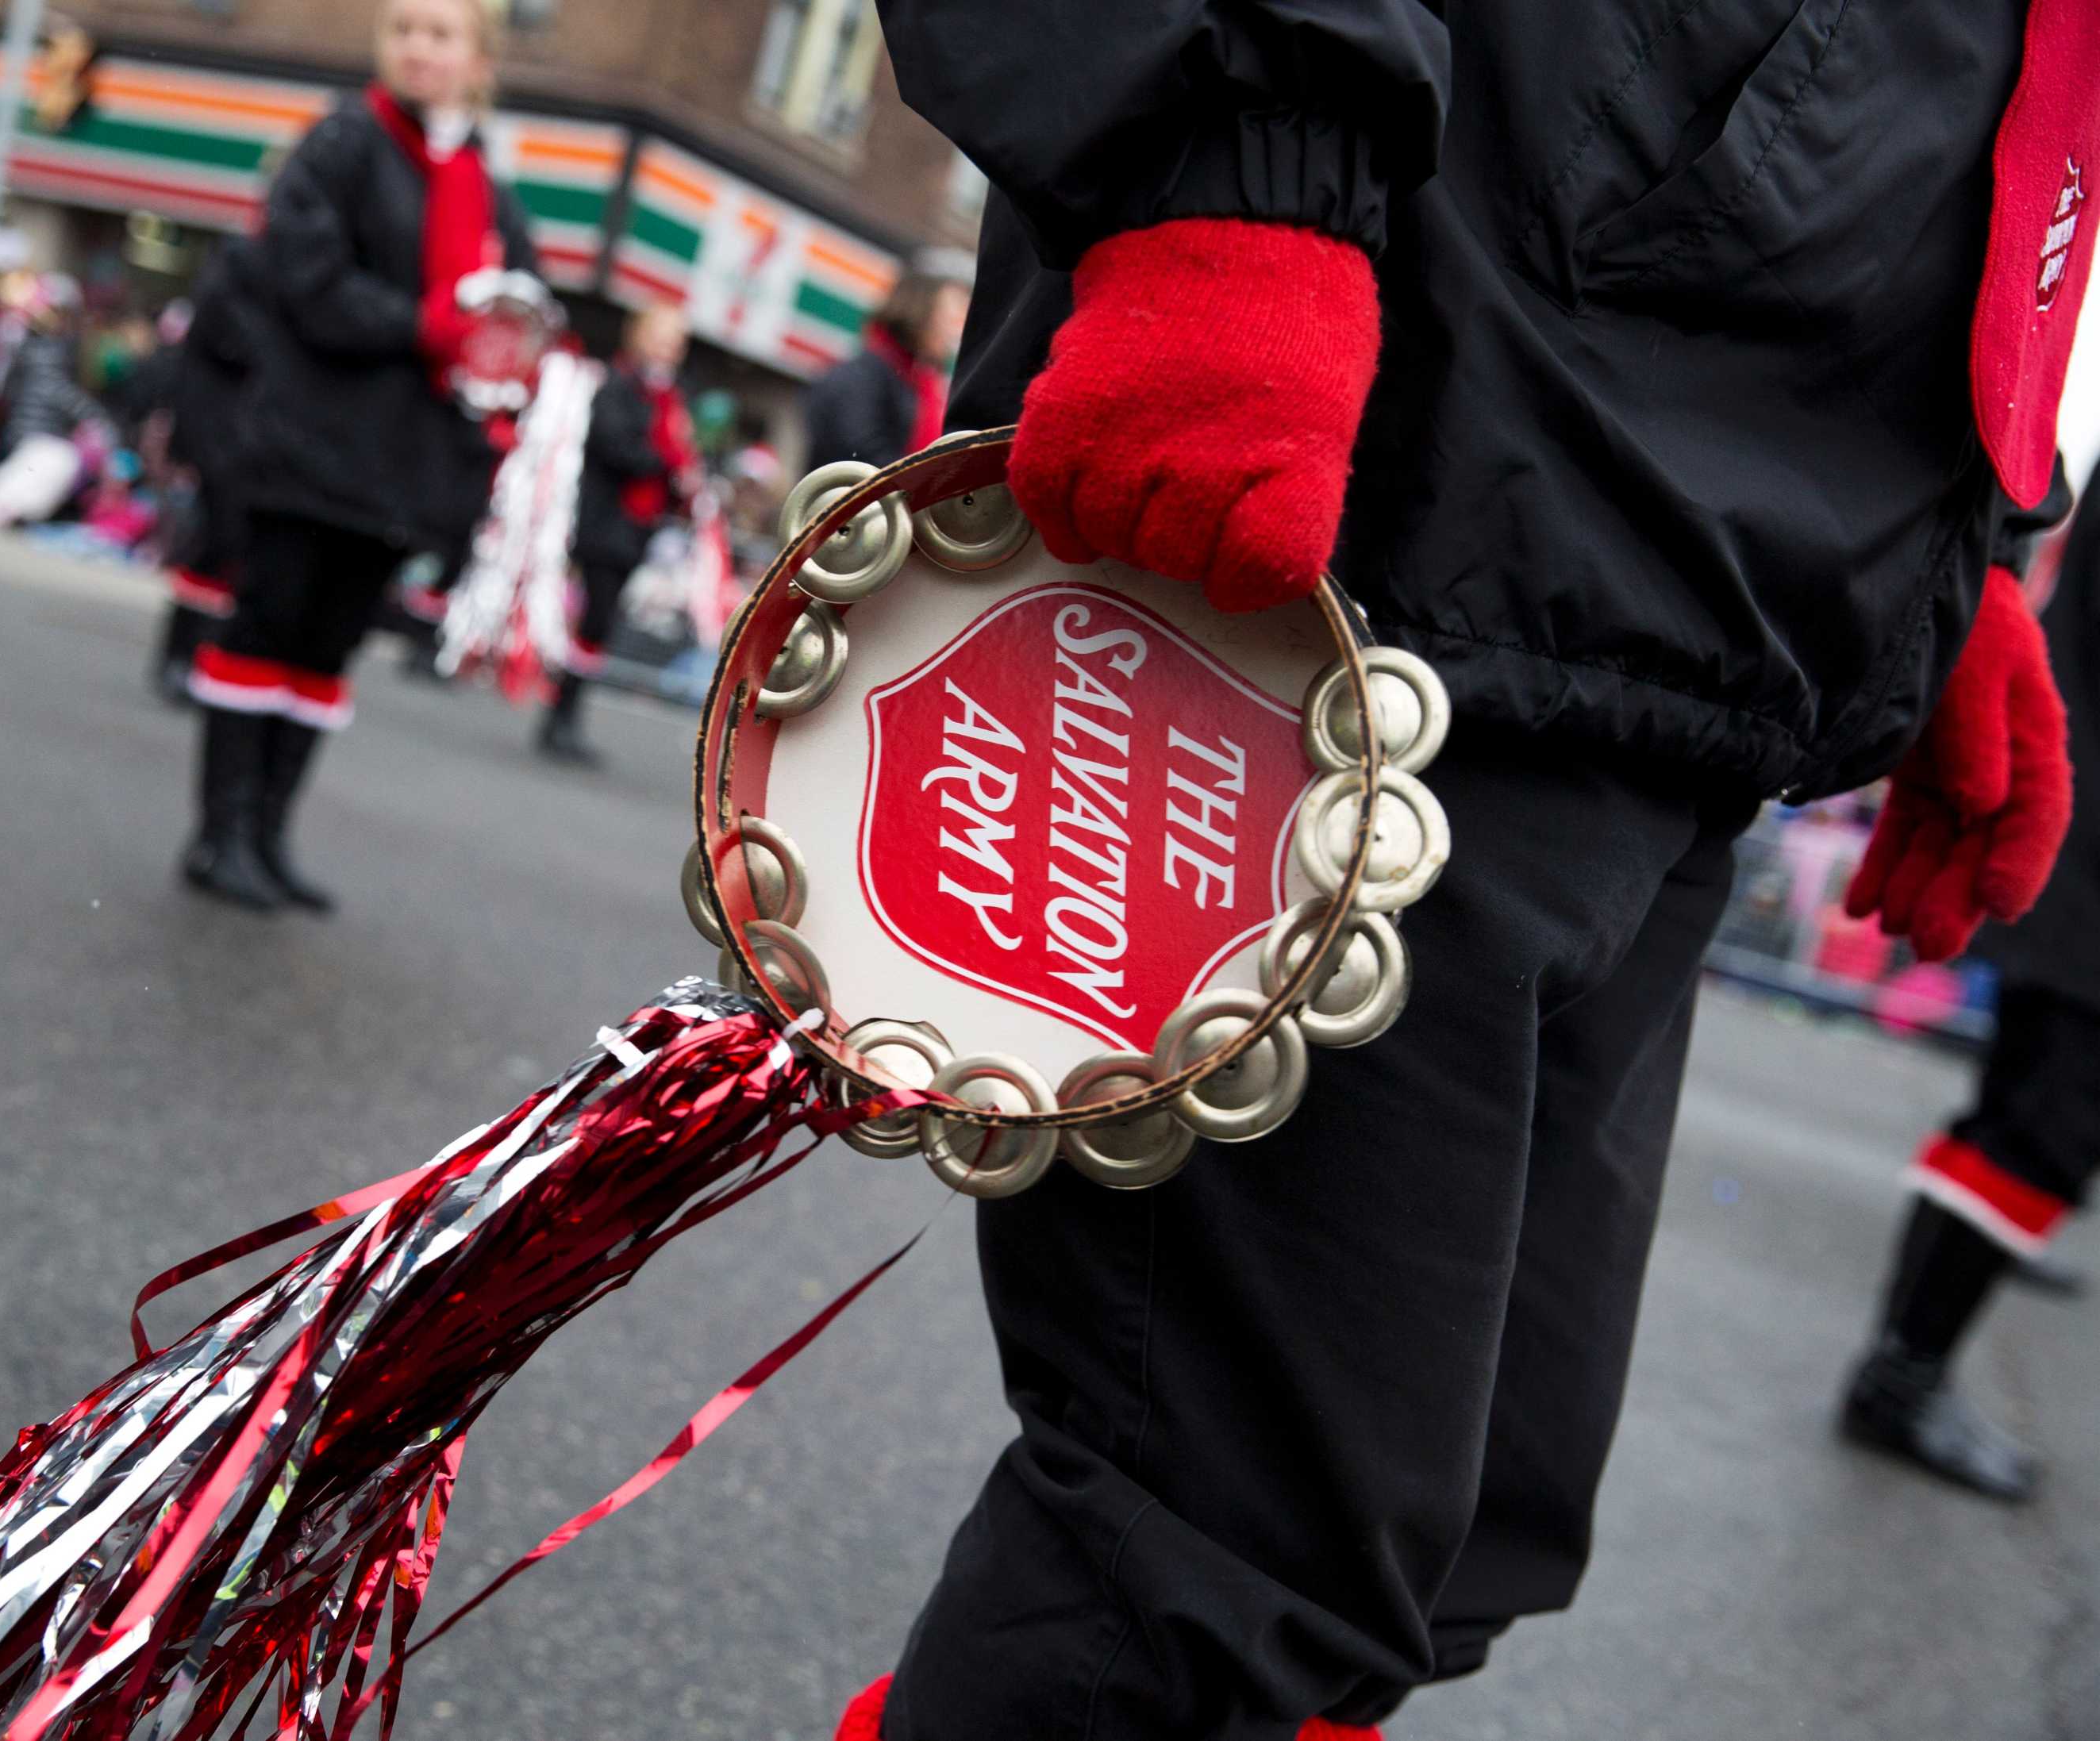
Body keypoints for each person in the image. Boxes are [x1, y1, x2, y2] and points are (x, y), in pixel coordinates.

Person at [829, 4, 2084, 1739]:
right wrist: (1225, 174)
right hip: (1383, 522)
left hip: (1699, 624)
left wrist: (1965, 551)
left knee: (1453, 1532)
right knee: (1218, 1553)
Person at [182, 0, 536, 912]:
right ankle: (219, 834)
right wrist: (427, 325)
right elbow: (306, 283)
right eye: (405, 29)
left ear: (479, 58)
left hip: (399, 464)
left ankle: (267, 832)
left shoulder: (486, 186)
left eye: (441, 33)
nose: (419, 47)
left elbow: (514, 307)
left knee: (328, 649)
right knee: (268, 626)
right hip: (310, 441)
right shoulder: (341, 145)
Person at [1839, 462, 2094, 1505]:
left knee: (2024, 1121)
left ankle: (1910, 1351)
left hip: (2077, 827)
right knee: (2043, 1125)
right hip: (2087, 853)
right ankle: (1903, 1371)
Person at [542, 298, 694, 764]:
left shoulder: (670, 399)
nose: (668, 350)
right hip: (607, 524)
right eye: (662, 338)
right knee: (595, 621)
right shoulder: (619, 386)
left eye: (676, 343)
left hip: (636, 528)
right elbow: (615, 446)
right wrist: (667, 462)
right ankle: (560, 718)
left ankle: (564, 716)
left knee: (600, 625)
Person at [151, 244, 267, 702]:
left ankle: (205, 657)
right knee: (218, 542)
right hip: (222, 430)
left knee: (237, 550)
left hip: (256, 434)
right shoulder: (241, 259)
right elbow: (225, 335)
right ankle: (182, 656)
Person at [800, 269, 966, 470]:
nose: (956, 331)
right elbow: (862, 453)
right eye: (950, 318)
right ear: (921, 311)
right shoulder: (867, 374)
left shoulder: (916, 379)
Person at [0, 274, 101, 528]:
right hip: (36, 425)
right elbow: (55, 390)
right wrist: (92, 415)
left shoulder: (40, 345)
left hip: (29, 423)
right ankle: (4, 505)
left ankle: (5, 505)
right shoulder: (48, 348)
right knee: (54, 461)